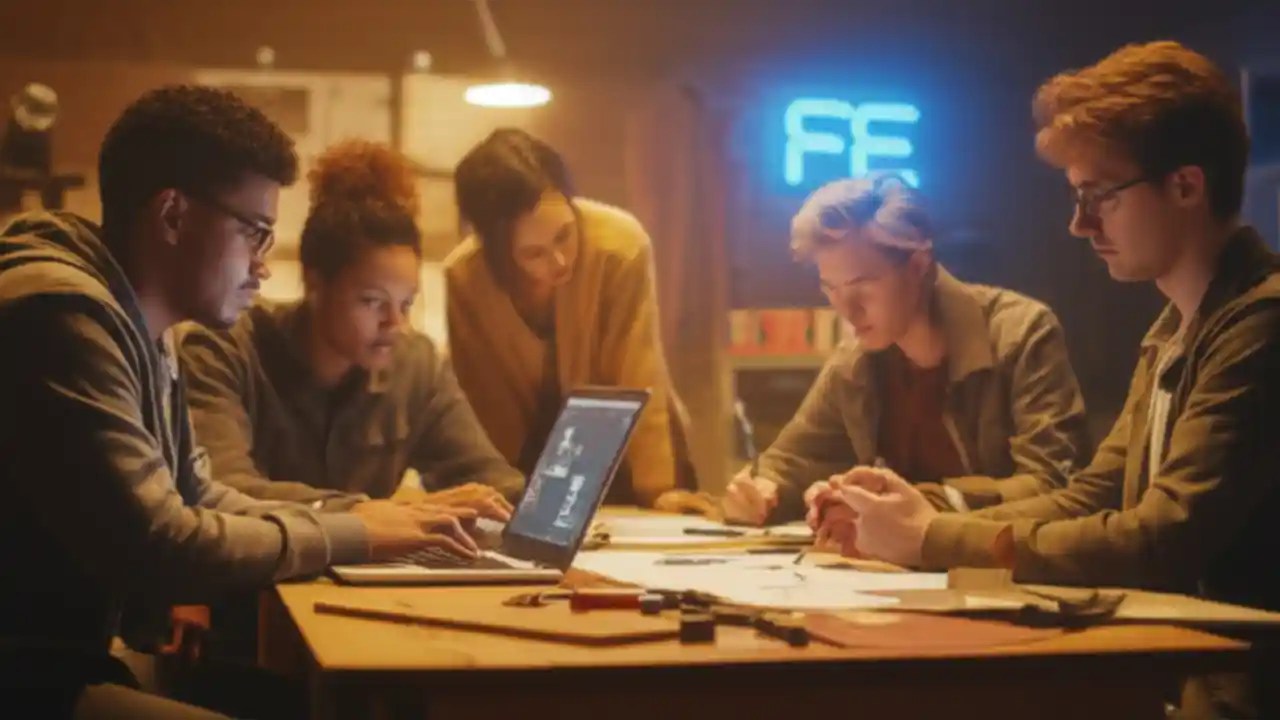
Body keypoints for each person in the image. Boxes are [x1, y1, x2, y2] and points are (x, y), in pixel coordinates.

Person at [814, 41, 1278, 719]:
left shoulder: (1259, 326)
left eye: (1100, 197)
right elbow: (1092, 495)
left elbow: (1162, 537)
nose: (1079, 224)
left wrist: (928, 540)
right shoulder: (1178, 328)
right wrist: (916, 516)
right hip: (1185, 680)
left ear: (1186, 185)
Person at [0, 86, 478, 719]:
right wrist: (357, 532)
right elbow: (163, 543)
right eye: (254, 234)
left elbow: (198, 495)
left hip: (62, 661)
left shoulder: (141, 324)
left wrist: (369, 517)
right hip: (30, 676)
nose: (261, 267)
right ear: (172, 216)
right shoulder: (63, 320)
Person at [721, 176, 1090, 529]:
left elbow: (1054, 484)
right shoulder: (856, 362)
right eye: (830, 289)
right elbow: (790, 460)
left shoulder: (1022, 333)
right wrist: (761, 490)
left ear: (918, 265)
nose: (846, 310)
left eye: (861, 286)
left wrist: (922, 502)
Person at [179, 140, 521, 518]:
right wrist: (378, 514)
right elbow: (221, 489)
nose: (396, 324)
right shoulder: (227, 348)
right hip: (255, 572)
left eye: (407, 303)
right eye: (372, 302)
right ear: (316, 285)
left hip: (364, 572)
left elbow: (488, 478)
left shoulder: (415, 365)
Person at [444, 128, 701, 512]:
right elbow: (483, 408)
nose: (560, 261)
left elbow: (638, 372)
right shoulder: (466, 278)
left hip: (626, 448)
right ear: (497, 252)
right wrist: (503, 491)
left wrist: (658, 490)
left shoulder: (620, 245)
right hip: (522, 461)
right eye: (534, 253)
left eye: (565, 235)